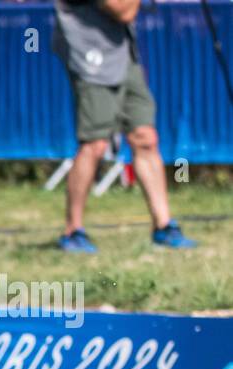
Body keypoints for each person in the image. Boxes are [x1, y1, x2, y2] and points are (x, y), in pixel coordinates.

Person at [53, 0, 196, 252]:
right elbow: (123, 9)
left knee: (145, 136)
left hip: (121, 51)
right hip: (90, 54)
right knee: (94, 143)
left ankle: (163, 226)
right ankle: (73, 230)